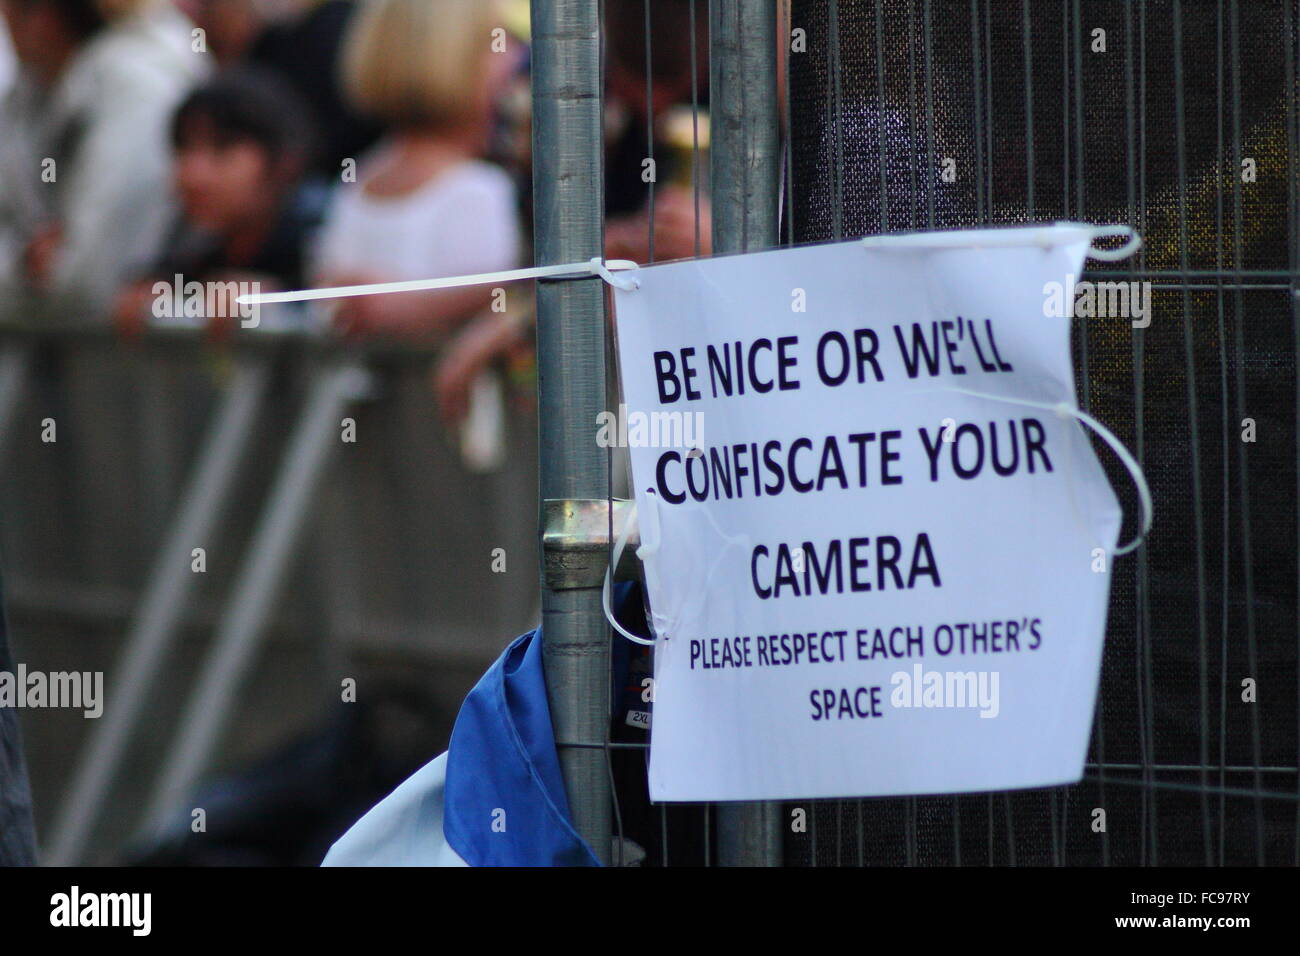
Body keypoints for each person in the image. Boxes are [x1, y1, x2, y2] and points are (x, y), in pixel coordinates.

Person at [311, 0, 521, 341]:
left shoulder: (358, 179)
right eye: (493, 43)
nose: (513, 57)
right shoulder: (478, 188)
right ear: (451, 58)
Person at [0, 0, 204, 314]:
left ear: (45, 17)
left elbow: (90, 277)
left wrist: (44, 266)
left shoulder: (136, 81)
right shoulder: (32, 90)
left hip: (124, 352)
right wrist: (27, 262)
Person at [111, 68, 324, 335]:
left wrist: (273, 300)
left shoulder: (321, 235)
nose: (192, 174)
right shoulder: (196, 243)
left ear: (283, 161)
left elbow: (333, 305)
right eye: (184, 149)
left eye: (221, 150)